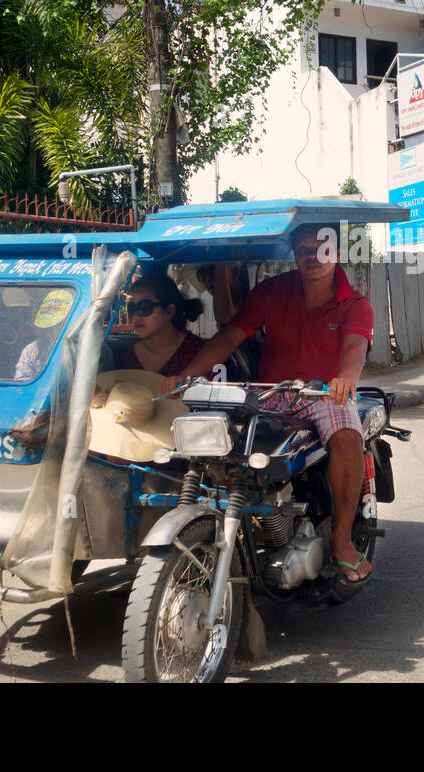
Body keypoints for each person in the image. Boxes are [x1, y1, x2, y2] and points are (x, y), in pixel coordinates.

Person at [162, 223, 376, 585]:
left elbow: (355, 349)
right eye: (304, 248)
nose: (313, 256)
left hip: (322, 394)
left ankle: (341, 541)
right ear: (294, 253)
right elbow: (230, 335)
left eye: (321, 248)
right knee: (212, 437)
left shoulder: (355, 304)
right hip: (269, 392)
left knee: (346, 437)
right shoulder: (272, 292)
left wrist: (345, 380)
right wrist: (186, 375)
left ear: (337, 252)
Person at [119, 274, 207, 377]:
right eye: (132, 308)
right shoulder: (131, 355)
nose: (136, 317)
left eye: (144, 308)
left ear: (170, 310)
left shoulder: (197, 350)